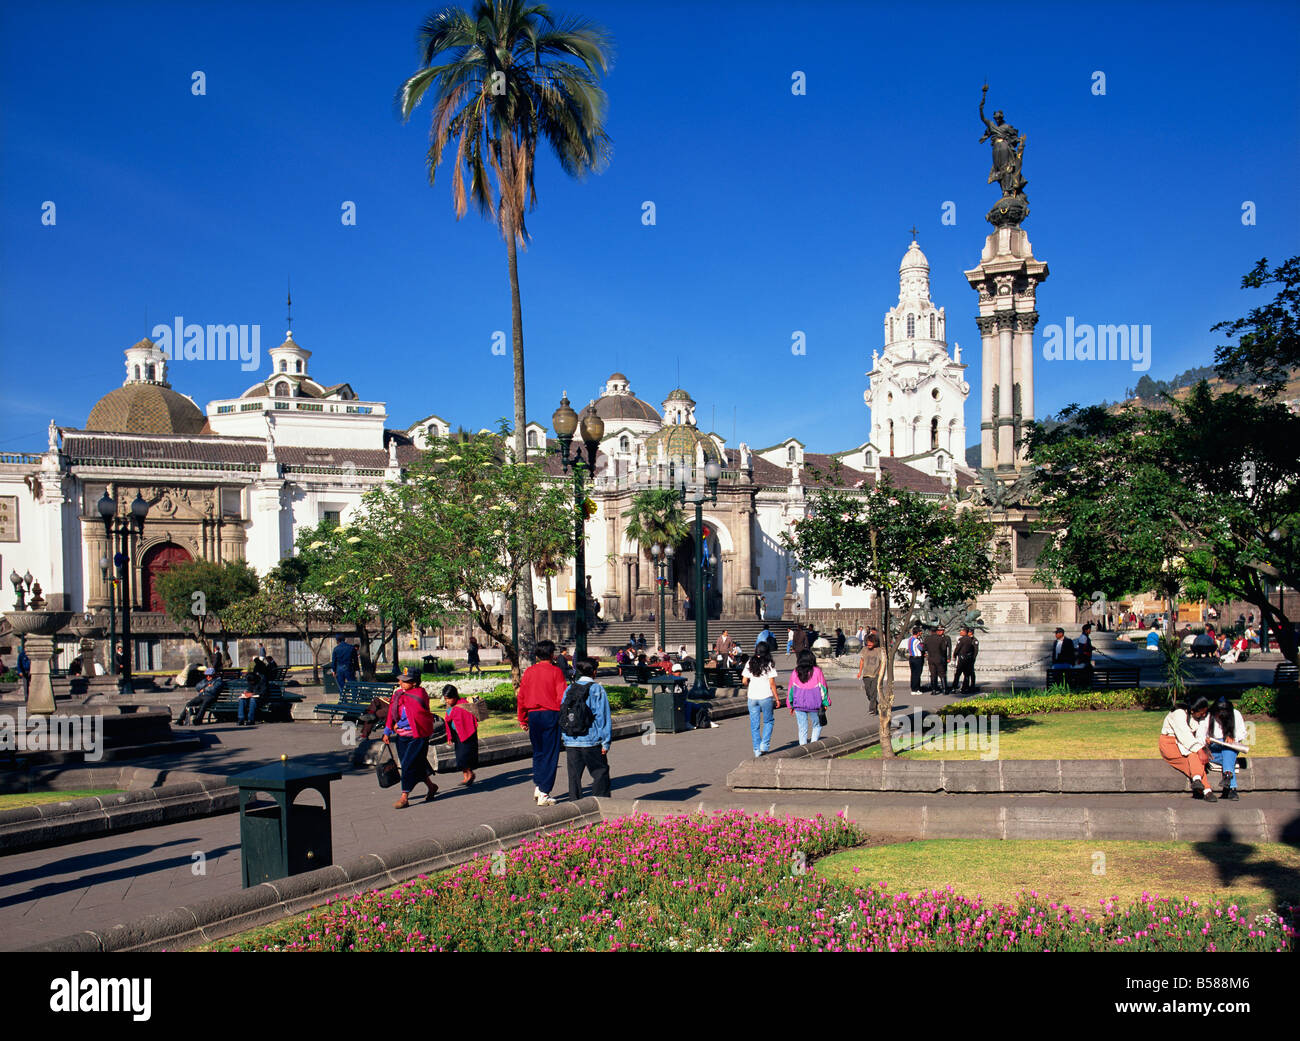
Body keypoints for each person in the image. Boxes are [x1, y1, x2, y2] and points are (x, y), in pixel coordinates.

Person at [516, 639, 568, 806]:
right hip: (550, 714)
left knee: (538, 751)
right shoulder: (556, 672)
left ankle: (539, 785)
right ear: (552, 655)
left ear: (537, 655)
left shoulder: (529, 672)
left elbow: (521, 697)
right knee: (550, 753)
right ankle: (544, 790)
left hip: (533, 715)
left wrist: (522, 718)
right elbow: (562, 696)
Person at [383, 667, 439, 809]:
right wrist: (388, 730)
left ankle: (404, 796)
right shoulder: (399, 695)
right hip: (402, 736)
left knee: (407, 765)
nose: (400, 683)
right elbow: (391, 713)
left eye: (405, 681)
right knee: (416, 763)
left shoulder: (420, 694)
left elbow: (418, 714)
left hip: (417, 736)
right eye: (400, 680)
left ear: (414, 682)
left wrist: (399, 722)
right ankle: (431, 786)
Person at [561, 656, 612, 800]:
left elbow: (564, 713)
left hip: (571, 739)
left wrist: (565, 736)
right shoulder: (597, 689)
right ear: (594, 672)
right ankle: (600, 803)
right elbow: (602, 717)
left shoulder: (569, 688)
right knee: (600, 773)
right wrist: (606, 742)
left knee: (574, 777)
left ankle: (574, 805)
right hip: (591, 739)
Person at [1158, 696, 1216, 801]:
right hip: (1170, 744)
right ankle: (1206, 790)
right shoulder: (1178, 713)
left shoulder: (1196, 717)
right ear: (1192, 710)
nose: (1204, 715)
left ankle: (1198, 781)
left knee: (1195, 759)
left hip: (1187, 744)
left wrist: (1201, 749)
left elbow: (1196, 737)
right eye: (1201, 713)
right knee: (1195, 757)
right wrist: (1199, 750)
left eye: (1205, 713)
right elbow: (1184, 735)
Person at [741, 644, 781, 757]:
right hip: (765, 695)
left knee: (755, 725)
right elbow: (772, 683)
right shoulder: (769, 664)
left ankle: (757, 750)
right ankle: (764, 745)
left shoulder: (750, 662)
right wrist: (777, 698)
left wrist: (750, 685)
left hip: (752, 696)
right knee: (768, 721)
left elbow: (744, 681)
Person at [1205, 697, 1248, 801]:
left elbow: (1242, 732)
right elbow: (1200, 734)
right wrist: (1206, 740)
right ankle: (1232, 788)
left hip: (1230, 747)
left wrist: (1233, 738)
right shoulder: (1208, 716)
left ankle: (1228, 779)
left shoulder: (1236, 714)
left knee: (1228, 751)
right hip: (1213, 748)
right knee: (1228, 759)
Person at [787, 649, 828, 745]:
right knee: (817, 724)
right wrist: (825, 702)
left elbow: (791, 689)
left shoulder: (795, 672)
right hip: (814, 704)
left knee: (802, 728)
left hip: (799, 704)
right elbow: (823, 688)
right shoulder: (817, 671)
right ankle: (813, 744)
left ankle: (803, 747)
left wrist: (790, 704)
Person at [441, 684, 479, 786]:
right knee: (459, 756)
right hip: (457, 734)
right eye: (445, 699)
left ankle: (469, 774)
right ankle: (466, 776)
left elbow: (469, 719)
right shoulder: (450, 707)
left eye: (448, 698)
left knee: (464, 755)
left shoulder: (463, 704)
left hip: (467, 733)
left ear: (454, 696)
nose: (447, 701)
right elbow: (448, 721)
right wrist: (449, 736)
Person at [855, 632, 885, 714]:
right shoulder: (864, 649)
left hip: (875, 675)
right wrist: (860, 672)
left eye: (871, 642)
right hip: (866, 674)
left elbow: (882, 662)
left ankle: (872, 709)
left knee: (873, 692)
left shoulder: (878, 650)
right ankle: (876, 705)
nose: (869, 644)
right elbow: (862, 661)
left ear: (874, 642)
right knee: (868, 693)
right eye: (868, 642)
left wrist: (880, 672)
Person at [923, 625, 951, 694]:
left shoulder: (927, 638)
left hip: (931, 658)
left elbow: (924, 648)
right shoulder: (940, 639)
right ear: (936, 631)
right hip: (939, 658)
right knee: (942, 673)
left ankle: (934, 690)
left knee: (933, 674)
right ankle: (944, 689)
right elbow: (944, 649)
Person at [952, 625, 979, 693]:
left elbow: (958, 648)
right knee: (966, 674)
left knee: (958, 673)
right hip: (968, 659)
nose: (960, 632)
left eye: (961, 631)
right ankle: (965, 688)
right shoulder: (970, 640)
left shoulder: (963, 639)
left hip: (963, 659)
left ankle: (955, 687)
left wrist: (954, 655)